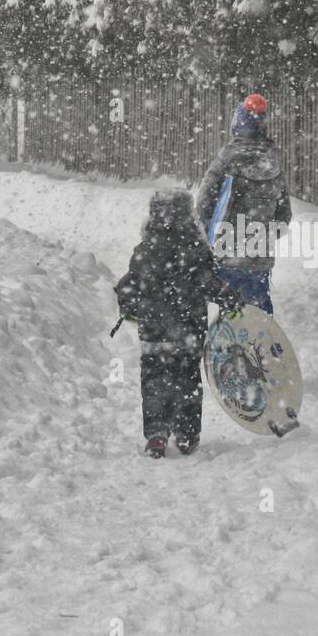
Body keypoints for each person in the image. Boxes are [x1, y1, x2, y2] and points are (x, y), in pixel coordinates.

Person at [115, 189, 244, 459]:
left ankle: (156, 434)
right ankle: (186, 435)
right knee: (187, 381)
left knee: (153, 381)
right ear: (188, 216)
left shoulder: (145, 250)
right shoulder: (195, 251)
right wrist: (229, 298)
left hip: (154, 332)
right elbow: (208, 284)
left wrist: (128, 305)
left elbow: (129, 285)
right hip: (187, 331)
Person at [195, 93, 292, 314]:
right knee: (258, 316)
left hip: (226, 254)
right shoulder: (273, 166)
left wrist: (208, 239)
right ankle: (258, 346)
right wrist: (262, 237)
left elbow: (203, 207)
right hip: (259, 259)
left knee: (228, 313)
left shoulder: (223, 163)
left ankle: (227, 345)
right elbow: (284, 216)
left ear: (236, 125)